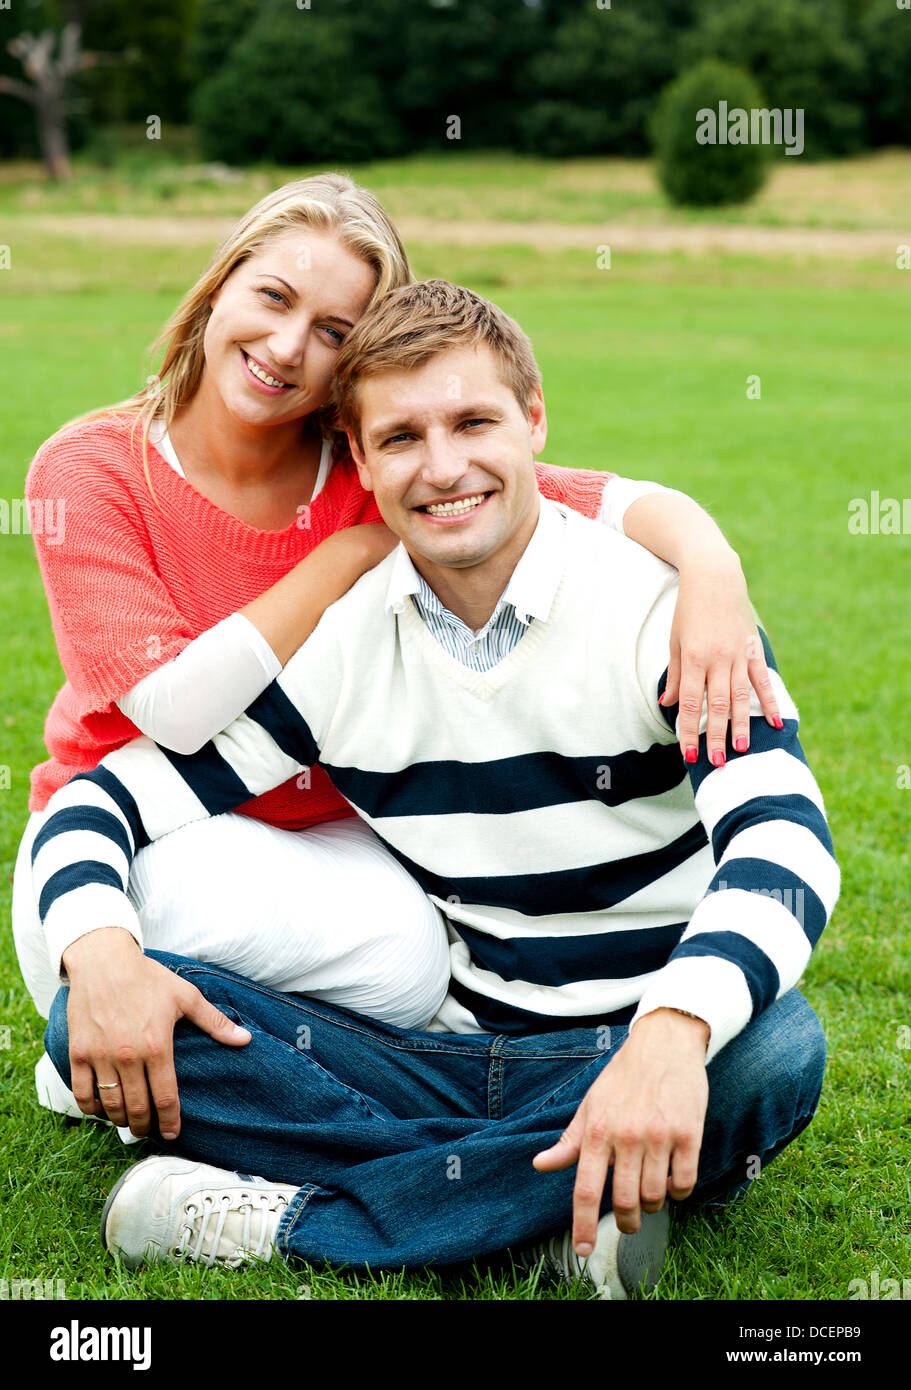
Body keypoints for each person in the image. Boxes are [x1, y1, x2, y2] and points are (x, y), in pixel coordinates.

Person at [36, 281, 837, 1299]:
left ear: (533, 421)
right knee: (91, 1018)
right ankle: (549, 1211)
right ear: (360, 462)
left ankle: (284, 1220)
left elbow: (783, 853)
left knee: (773, 1048)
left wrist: (670, 1036)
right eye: (402, 436)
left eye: (472, 421)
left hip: (637, 1039)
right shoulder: (345, 647)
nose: (444, 464)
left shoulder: (663, 613)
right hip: (447, 1052)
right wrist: (99, 947)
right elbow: (101, 801)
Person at [13, 174, 781, 1132]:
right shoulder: (96, 469)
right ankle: (117, 1029)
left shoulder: (377, 461)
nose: (290, 348)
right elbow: (170, 711)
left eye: (336, 331)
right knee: (277, 936)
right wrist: (343, 555)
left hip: (342, 857)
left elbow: (585, 495)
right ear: (218, 288)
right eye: (274, 298)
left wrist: (712, 567)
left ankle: (241, 1113)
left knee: (418, 965)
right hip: (140, 850)